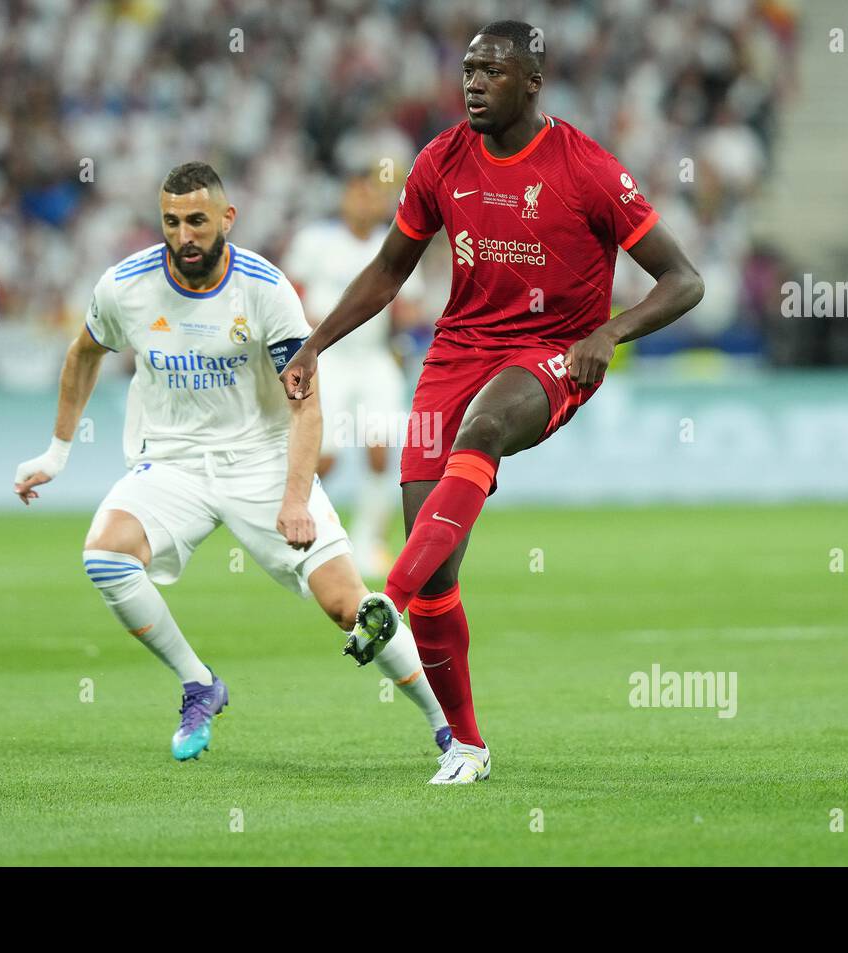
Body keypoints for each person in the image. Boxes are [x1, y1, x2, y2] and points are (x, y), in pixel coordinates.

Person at [282, 22, 705, 784]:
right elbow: (388, 270)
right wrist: (316, 344)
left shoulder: (588, 169)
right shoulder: (441, 161)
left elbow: (684, 279)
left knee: (485, 429)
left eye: (493, 72)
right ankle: (468, 746)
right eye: (469, 70)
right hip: (456, 353)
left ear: (532, 83)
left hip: (555, 353)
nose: (474, 83)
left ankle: (392, 598)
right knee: (442, 568)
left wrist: (612, 332)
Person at [13, 162, 450, 762]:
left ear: (227, 218)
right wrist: (57, 452)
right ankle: (199, 683)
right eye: (171, 222)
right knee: (105, 555)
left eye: (196, 220)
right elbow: (83, 353)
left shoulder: (266, 289)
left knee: (351, 607)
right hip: (172, 463)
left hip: (262, 460)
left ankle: (444, 724)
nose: (183, 235)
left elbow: (306, 404)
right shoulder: (126, 286)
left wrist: (295, 498)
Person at [282, 173, 427, 578]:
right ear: (345, 198)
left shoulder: (396, 241)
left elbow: (410, 306)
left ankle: (368, 544)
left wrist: (406, 325)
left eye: (373, 197)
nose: (365, 204)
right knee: (324, 457)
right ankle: (299, 530)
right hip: (326, 356)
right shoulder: (316, 241)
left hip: (375, 358)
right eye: (358, 194)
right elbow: (290, 290)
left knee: (380, 451)